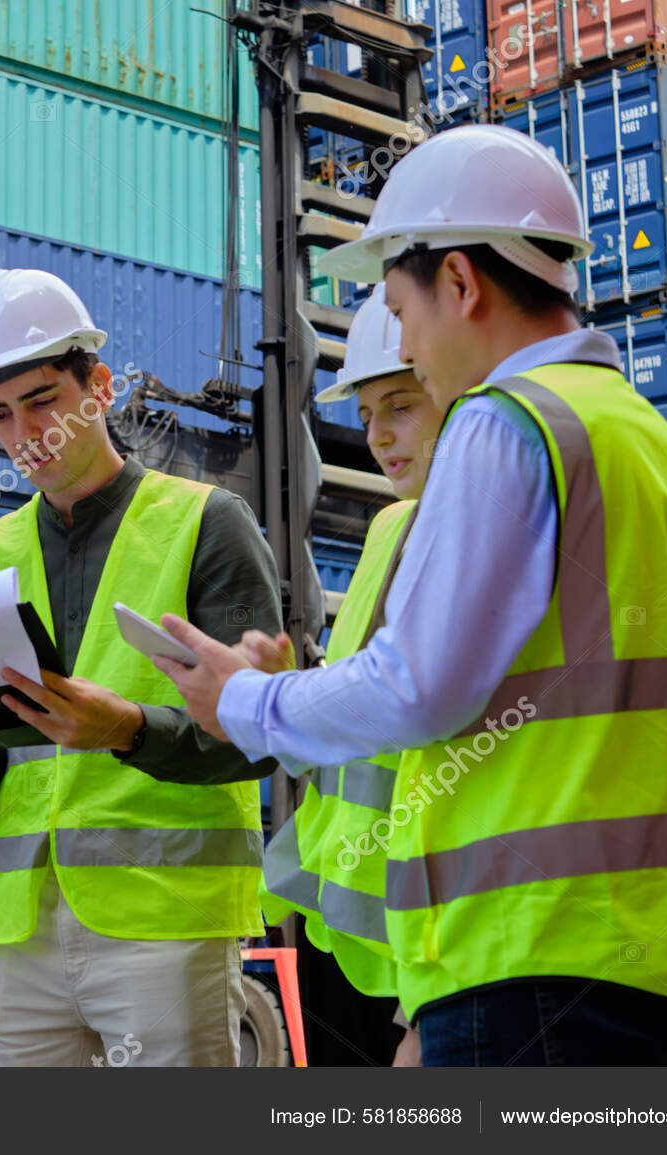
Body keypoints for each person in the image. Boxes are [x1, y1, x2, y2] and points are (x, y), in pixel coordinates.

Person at [155, 125, 667, 1066]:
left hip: (538, 957)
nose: (403, 346)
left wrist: (244, 701)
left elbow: (419, 684)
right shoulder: (650, 441)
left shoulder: (506, 421)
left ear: (464, 284)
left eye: (400, 310)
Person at [0, 268, 283, 1067]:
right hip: (20, 935)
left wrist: (127, 728)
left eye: (42, 400)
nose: (25, 435)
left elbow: (263, 735)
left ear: (99, 386)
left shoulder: (209, 526)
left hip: (169, 926)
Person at [250, 283, 444, 1067]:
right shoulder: (392, 524)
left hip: (424, 923)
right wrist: (290, 683)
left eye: (400, 406)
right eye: (365, 416)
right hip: (338, 910)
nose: (378, 437)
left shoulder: (488, 527)